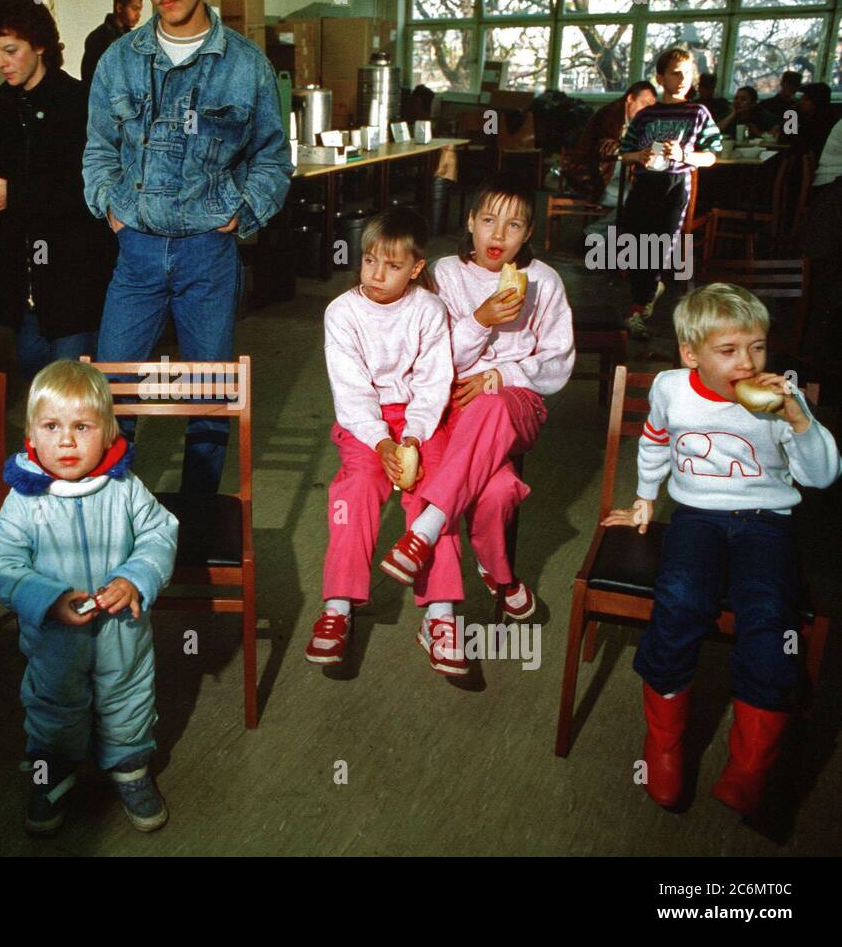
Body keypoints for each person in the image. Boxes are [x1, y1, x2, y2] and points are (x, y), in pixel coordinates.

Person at [601, 284, 839, 815]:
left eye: (756, 347)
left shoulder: (782, 399)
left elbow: (822, 476)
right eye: (728, 351)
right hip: (696, 517)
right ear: (691, 355)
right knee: (681, 598)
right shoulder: (669, 388)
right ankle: (663, 745)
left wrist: (799, 420)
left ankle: (751, 764)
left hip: (766, 521)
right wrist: (644, 498)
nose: (748, 362)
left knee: (769, 615)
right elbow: (656, 440)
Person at [83, 0, 293, 494]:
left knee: (209, 399)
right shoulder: (119, 61)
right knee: (111, 395)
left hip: (209, 252)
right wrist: (110, 207)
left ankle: (198, 515)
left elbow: (274, 158)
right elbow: (98, 148)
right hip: (137, 253)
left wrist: (241, 213)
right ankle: (108, 509)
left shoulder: (246, 65)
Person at [379, 174, 574, 675]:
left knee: (489, 406)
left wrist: (500, 374)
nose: (498, 234)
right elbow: (431, 354)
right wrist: (482, 319)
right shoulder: (445, 273)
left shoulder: (546, 282)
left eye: (513, 225)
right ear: (469, 221)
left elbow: (557, 362)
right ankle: (499, 576)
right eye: (488, 219)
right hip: (450, 402)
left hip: (517, 405)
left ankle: (426, 528)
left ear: (527, 233)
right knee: (500, 490)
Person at [0, 359, 179, 835]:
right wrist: (46, 598)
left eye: (82, 427)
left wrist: (135, 577)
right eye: (51, 426)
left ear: (108, 432)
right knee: (52, 703)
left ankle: (130, 769)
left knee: (127, 692)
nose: (66, 441)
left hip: (121, 629)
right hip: (53, 636)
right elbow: (0, 561)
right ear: (31, 431)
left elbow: (159, 533)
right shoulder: (25, 498)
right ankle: (52, 773)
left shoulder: (124, 487)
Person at [305, 209, 452, 665]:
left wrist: (412, 436)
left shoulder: (429, 309)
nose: (377, 274)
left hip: (420, 418)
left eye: (391, 266)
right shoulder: (342, 312)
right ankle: (338, 606)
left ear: (416, 268)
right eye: (370, 261)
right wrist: (381, 443)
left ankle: (440, 613)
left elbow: (433, 382)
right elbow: (349, 390)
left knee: (434, 493)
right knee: (356, 489)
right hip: (364, 422)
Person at [0, 0, 114, 383]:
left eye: (11, 50)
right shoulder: (4, 108)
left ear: (39, 45)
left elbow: (90, 191)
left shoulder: (78, 102)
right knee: (35, 379)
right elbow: (7, 179)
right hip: (29, 275)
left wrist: (17, 195)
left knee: (71, 387)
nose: (3, 63)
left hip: (73, 274)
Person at [616, 47, 721, 340]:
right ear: (661, 78)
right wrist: (640, 155)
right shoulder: (646, 115)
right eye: (676, 73)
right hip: (644, 185)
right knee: (635, 242)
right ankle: (645, 293)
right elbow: (624, 154)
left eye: (688, 73)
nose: (683, 78)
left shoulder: (698, 112)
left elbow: (712, 156)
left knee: (661, 245)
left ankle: (637, 308)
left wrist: (685, 154)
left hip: (674, 187)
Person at [565, 80, 657, 238]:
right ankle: (593, 232)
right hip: (590, 178)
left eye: (650, 107)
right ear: (630, 99)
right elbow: (606, 148)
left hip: (610, 177)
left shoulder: (634, 120)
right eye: (643, 103)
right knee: (637, 200)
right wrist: (634, 154)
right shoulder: (610, 116)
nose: (646, 110)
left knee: (647, 196)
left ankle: (608, 238)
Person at [80, 0, 144, 91]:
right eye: (134, 8)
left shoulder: (134, 40)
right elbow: (90, 79)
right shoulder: (98, 38)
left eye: (139, 10)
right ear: (119, 8)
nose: (138, 15)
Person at [786, 81, 835, 161]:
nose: (801, 102)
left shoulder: (818, 123)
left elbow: (792, 142)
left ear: (817, 101)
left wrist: (790, 123)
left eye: (805, 100)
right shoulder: (808, 117)